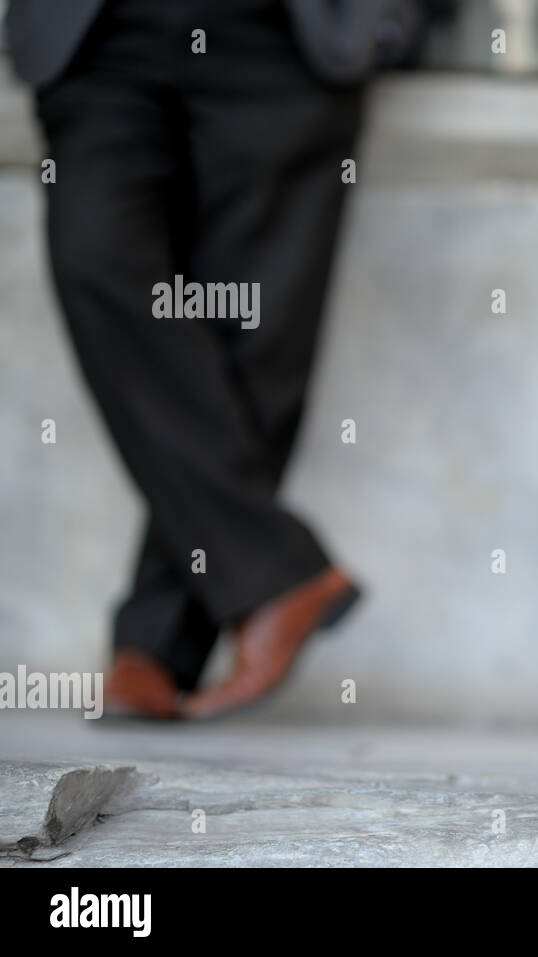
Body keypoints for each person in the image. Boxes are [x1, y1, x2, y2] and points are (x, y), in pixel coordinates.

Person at [6, 0, 416, 720]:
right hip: (101, 30)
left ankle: (158, 646)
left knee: (253, 334)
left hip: (282, 32)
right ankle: (279, 575)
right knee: (94, 258)